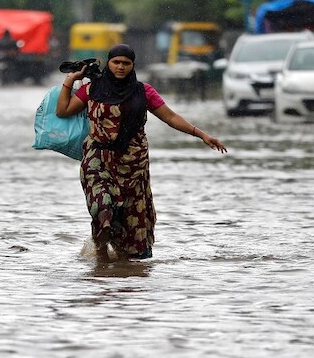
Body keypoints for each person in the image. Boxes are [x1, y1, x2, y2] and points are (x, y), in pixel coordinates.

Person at [55, 44, 227, 261]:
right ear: (108, 63)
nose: (120, 67)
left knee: (128, 219)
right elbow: (63, 111)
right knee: (102, 208)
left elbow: (170, 117)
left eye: (126, 63)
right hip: (97, 161)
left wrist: (202, 135)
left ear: (133, 66)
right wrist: (70, 79)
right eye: (116, 62)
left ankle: (118, 262)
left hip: (133, 164)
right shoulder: (92, 89)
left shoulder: (143, 91)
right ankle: (100, 257)